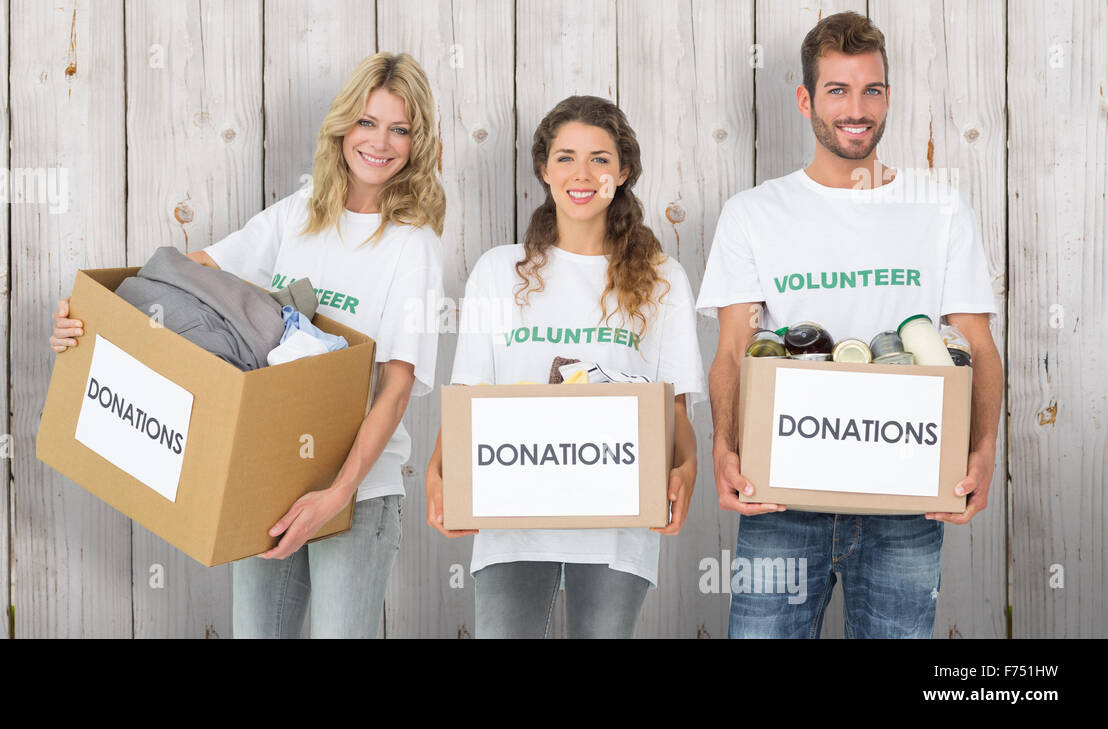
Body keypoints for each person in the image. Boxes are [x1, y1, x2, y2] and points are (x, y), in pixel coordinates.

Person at [50, 52, 446, 638]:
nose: (380, 142)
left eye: (400, 128)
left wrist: (335, 496)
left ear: (418, 142)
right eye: (368, 121)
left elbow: (395, 390)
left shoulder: (412, 247)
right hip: (269, 480)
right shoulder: (299, 216)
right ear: (343, 126)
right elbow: (188, 277)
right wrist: (90, 320)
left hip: (359, 495)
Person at [695, 12, 1001, 638]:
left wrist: (983, 447)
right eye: (838, 90)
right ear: (806, 98)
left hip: (907, 499)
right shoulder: (754, 213)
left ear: (888, 95)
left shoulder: (939, 209)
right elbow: (732, 351)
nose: (857, 109)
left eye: (872, 90)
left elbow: (978, 346)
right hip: (781, 496)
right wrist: (724, 448)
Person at [425, 95, 706, 639]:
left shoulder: (661, 277)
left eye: (600, 159)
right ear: (543, 168)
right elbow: (470, 397)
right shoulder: (497, 272)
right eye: (566, 157)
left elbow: (674, 409)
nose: (583, 174)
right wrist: (440, 475)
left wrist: (686, 470)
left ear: (623, 173)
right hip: (511, 520)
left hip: (618, 526)